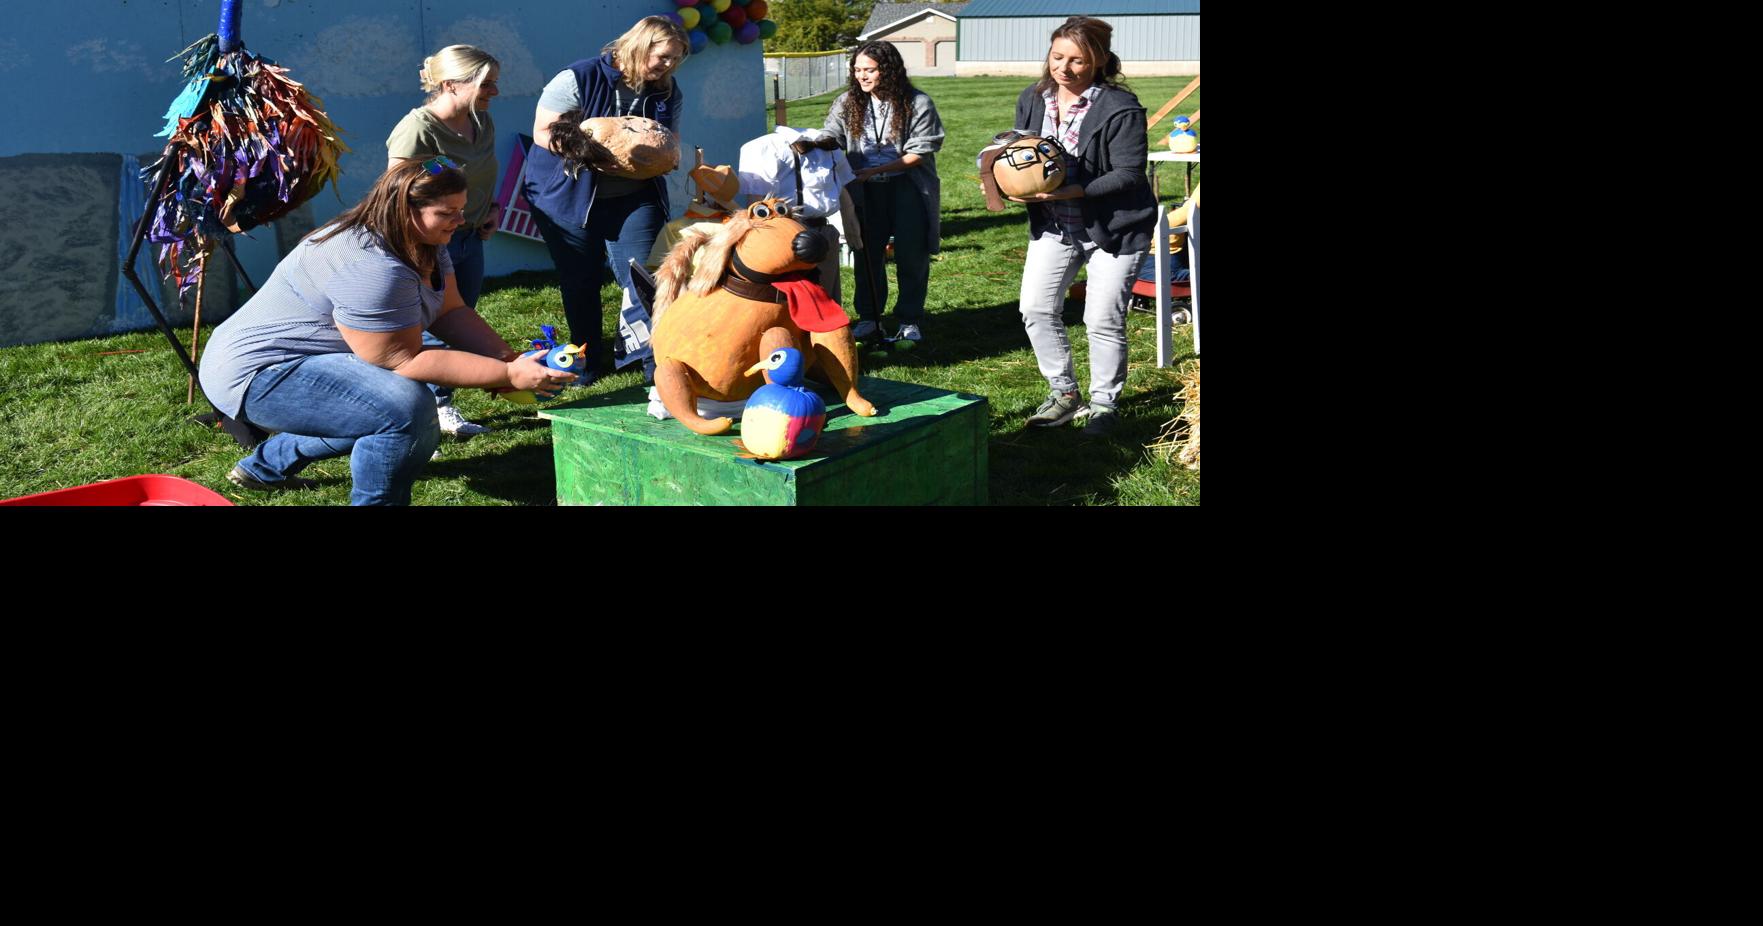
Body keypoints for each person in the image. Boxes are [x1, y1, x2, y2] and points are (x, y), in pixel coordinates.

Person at [197, 160, 572, 506]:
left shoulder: (423, 240)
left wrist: (509, 360)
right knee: (402, 408)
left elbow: (450, 312)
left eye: (461, 208)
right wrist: (507, 376)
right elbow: (403, 359)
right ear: (404, 210)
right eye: (447, 212)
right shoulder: (370, 265)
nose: (461, 220)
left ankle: (263, 467)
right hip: (257, 373)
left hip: (305, 356)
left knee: (374, 408)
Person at [1006, 16, 1157, 439]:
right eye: (1057, 57)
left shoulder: (1120, 108)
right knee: (1035, 308)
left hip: (1115, 228)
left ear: (1099, 61)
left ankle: (1105, 405)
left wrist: (1072, 190)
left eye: (1077, 60)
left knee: (1101, 319)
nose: (1064, 68)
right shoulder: (1033, 98)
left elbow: (1129, 173)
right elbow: (1021, 148)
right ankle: (1064, 393)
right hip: (1055, 226)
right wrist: (1007, 174)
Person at [522, 15, 689, 384]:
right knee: (580, 281)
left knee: (644, 276)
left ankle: (653, 363)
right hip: (570, 196)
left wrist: (665, 155)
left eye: (676, 59)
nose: (668, 65)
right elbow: (542, 132)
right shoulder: (578, 78)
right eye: (663, 56)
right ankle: (586, 362)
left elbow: (670, 139)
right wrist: (587, 151)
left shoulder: (666, 90)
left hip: (634, 196)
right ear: (639, 45)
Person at [386, 44, 502, 438]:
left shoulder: (481, 122)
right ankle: (415, 416)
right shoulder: (418, 129)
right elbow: (396, 191)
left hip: (469, 238)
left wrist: (491, 207)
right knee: (426, 328)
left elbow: (479, 172)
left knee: (457, 319)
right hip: (431, 245)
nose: (494, 93)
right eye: (486, 84)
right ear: (451, 85)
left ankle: (439, 405)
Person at [820, 41, 943, 348]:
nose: (862, 76)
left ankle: (909, 320)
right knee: (866, 253)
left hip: (907, 187)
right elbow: (830, 135)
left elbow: (921, 151)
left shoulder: (917, 103)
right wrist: (810, 142)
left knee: (911, 255)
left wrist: (872, 170)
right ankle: (869, 317)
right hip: (863, 191)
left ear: (887, 70)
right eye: (857, 69)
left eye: (869, 70)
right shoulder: (848, 102)